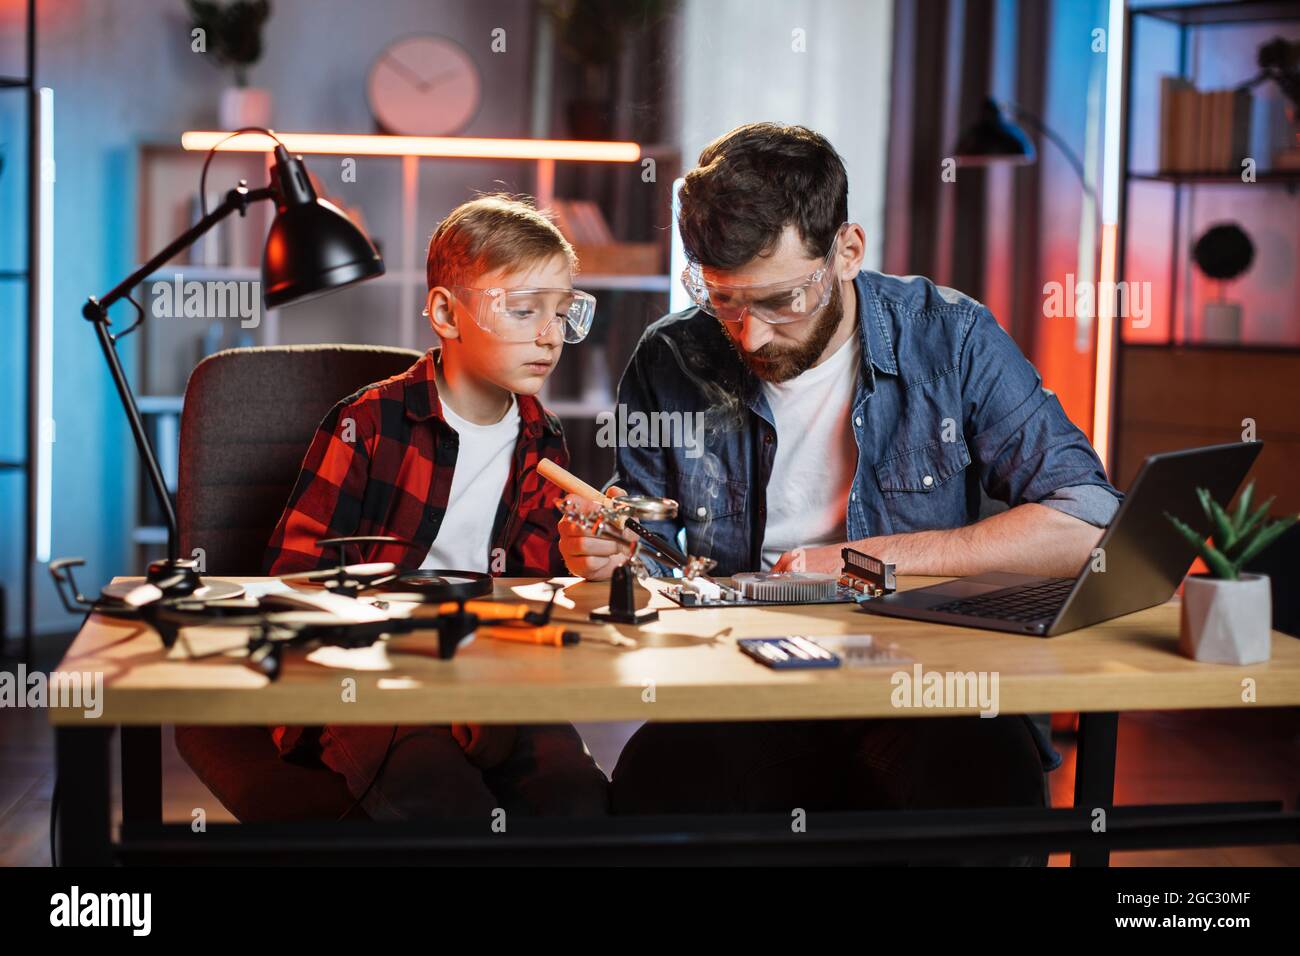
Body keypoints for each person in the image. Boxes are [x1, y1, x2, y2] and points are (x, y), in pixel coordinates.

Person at [558, 124, 1120, 837]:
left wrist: (873, 559)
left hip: (922, 684)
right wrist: (607, 558)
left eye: (781, 301)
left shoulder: (951, 337)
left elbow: (1089, 524)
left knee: (989, 801)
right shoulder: (672, 354)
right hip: (743, 684)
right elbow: (646, 547)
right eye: (725, 301)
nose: (750, 335)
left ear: (847, 251)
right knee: (651, 800)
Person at [263, 195, 608, 820]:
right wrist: (434, 679)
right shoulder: (367, 424)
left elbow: (531, 595)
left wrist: (591, 568)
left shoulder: (544, 439)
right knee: (445, 807)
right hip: (367, 681)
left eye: (563, 312)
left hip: (492, 678)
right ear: (447, 313)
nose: (551, 335)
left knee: (577, 800)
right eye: (526, 310)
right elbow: (295, 587)